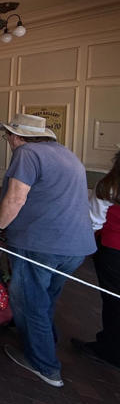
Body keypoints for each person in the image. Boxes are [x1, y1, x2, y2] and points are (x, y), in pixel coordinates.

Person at [0, 113, 96, 387]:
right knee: (45, 299)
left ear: (18, 136)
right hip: (76, 247)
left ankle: (44, 365)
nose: (7, 139)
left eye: (7, 135)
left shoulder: (27, 153)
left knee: (29, 302)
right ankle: (45, 341)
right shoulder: (67, 154)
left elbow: (16, 197)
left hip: (41, 244)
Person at [71, 148, 120, 369]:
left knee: (113, 301)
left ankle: (110, 349)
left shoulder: (109, 186)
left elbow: (94, 222)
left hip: (113, 251)